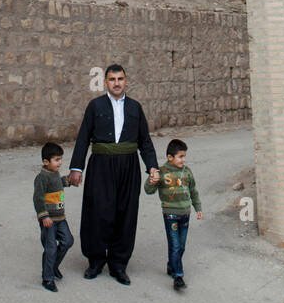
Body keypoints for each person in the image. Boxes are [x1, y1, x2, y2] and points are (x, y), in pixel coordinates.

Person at [68, 65, 159, 283]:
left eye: (120, 79)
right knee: (98, 211)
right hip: (101, 165)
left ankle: (119, 264)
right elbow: (83, 138)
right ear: (106, 82)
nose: (116, 83)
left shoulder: (136, 108)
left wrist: (152, 166)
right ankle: (96, 260)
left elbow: (145, 141)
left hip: (129, 165)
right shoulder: (95, 106)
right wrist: (76, 168)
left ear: (126, 81)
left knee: (125, 212)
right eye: (112, 79)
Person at [144, 138, 202, 290]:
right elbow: (148, 190)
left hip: (185, 214)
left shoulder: (187, 172)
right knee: (175, 245)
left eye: (184, 156)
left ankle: (171, 265)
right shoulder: (162, 172)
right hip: (170, 214)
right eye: (180, 156)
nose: (183, 159)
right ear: (170, 157)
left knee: (181, 245)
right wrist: (152, 179)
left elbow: (193, 191)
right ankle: (178, 275)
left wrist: (198, 208)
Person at [33, 141, 76, 292]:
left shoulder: (55, 174)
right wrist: (44, 216)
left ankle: (52, 266)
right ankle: (48, 278)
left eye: (60, 159)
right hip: (49, 220)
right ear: (46, 162)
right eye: (56, 160)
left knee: (68, 240)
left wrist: (69, 181)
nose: (60, 162)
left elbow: (58, 183)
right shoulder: (42, 178)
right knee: (50, 248)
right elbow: (38, 198)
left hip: (60, 218)